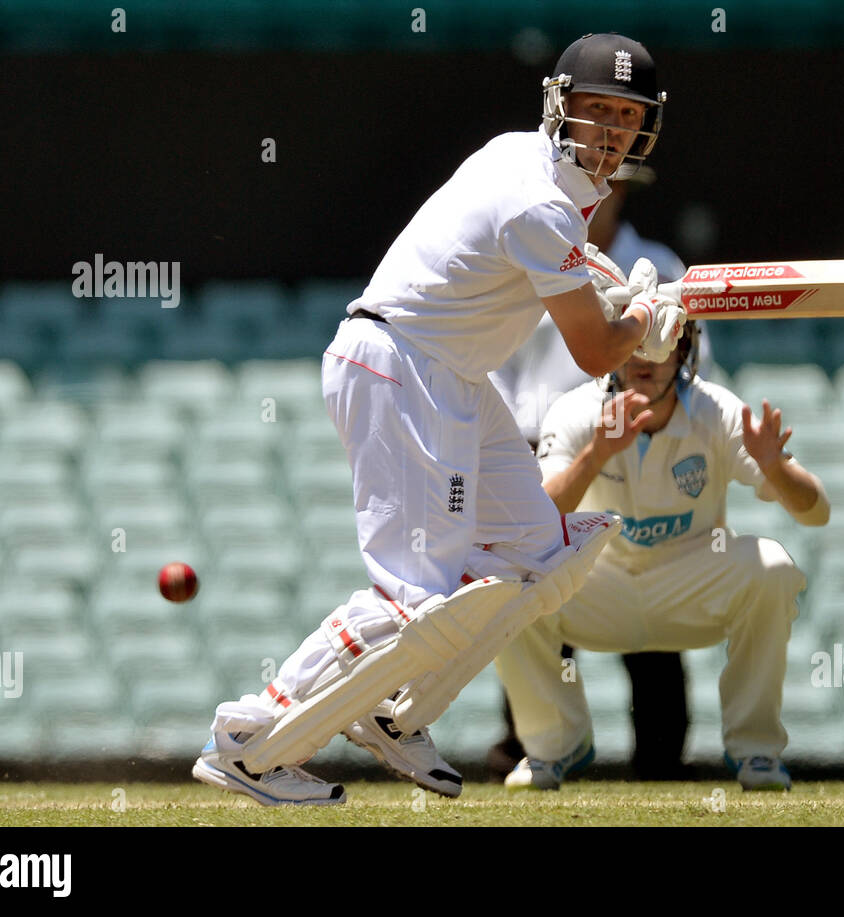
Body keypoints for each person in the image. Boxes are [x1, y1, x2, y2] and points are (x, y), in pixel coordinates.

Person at [191, 32, 686, 806]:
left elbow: (564, 276)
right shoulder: (540, 198)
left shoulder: (525, 163)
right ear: (562, 106)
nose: (611, 131)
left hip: (450, 373)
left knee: (542, 552)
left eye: (627, 115)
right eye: (597, 111)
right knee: (411, 595)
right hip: (400, 365)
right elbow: (593, 351)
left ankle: (398, 713)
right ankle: (250, 738)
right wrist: (645, 326)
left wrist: (631, 305)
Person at [495, 321, 829, 791]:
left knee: (772, 568)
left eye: (660, 344)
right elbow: (537, 522)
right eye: (632, 344)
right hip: (599, 583)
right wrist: (596, 454)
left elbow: (816, 513)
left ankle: (756, 752)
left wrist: (776, 468)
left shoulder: (718, 410)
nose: (644, 358)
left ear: (684, 353)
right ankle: (553, 747)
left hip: (689, 584)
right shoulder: (575, 410)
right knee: (509, 578)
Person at [487, 171, 704, 781]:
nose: (589, 200)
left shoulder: (657, 264)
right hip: (542, 444)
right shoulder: (531, 257)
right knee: (534, 596)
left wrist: (658, 417)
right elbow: (494, 367)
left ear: (623, 193)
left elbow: (692, 360)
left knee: (647, 585)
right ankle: (535, 748)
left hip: (641, 437)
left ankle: (661, 760)